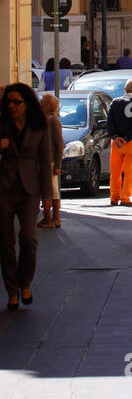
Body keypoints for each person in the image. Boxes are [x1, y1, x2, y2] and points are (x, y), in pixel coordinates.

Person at [0, 83, 53, 309]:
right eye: (9, 102)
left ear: (26, 104)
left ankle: (26, 283)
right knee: (5, 242)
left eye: (16, 102)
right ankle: (12, 291)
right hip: (4, 187)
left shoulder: (39, 126)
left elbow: (44, 161)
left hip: (30, 189)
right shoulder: (2, 125)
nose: (12, 106)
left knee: (29, 238)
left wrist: (48, 194)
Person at [108, 79, 132, 207]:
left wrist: (115, 136)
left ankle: (114, 197)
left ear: (124, 89)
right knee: (129, 171)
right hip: (131, 141)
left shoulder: (115, 102)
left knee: (115, 171)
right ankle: (125, 198)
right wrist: (126, 137)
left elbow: (110, 121)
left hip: (116, 142)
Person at [38, 93, 64, 229]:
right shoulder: (47, 120)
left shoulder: (53, 121)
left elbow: (59, 143)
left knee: (52, 190)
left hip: (51, 161)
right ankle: (50, 217)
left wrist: (58, 164)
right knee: (49, 189)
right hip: (45, 160)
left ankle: (53, 217)